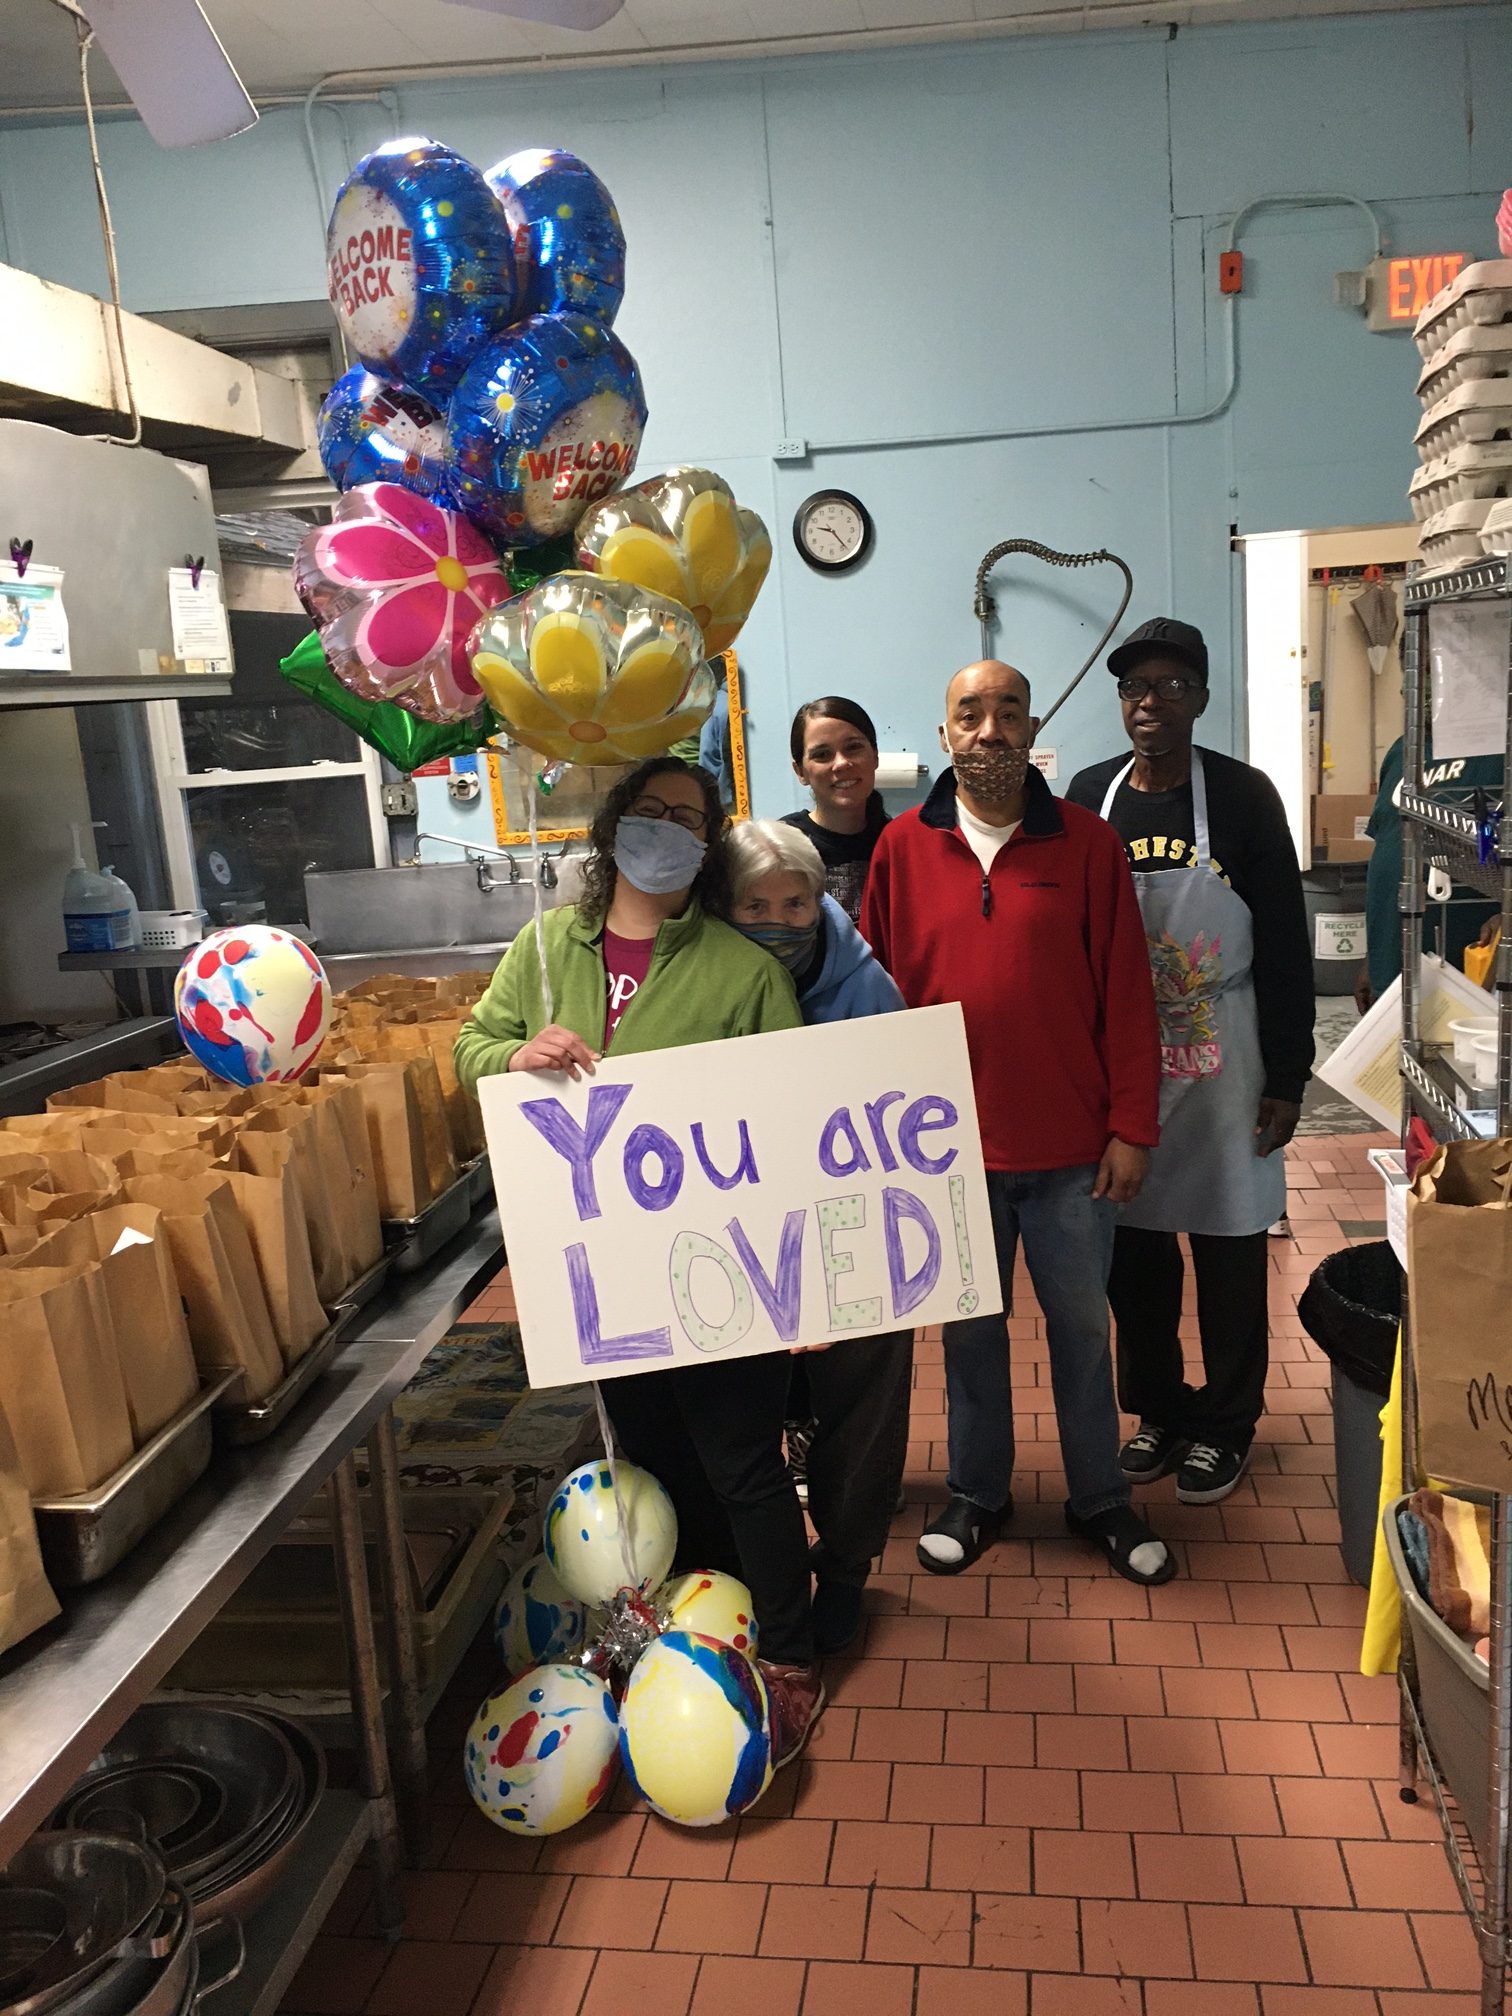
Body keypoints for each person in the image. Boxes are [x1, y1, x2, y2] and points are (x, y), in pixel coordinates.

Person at [454, 757, 823, 1765]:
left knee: (743, 1459)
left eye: (688, 820)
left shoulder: (743, 971)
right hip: (603, 1267)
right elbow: (471, 1052)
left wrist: (797, 1278)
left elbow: (787, 1118)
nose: (665, 830)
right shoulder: (542, 952)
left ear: (708, 848)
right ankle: (693, 1625)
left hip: (721, 1265)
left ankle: (790, 1655)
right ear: (616, 825)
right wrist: (515, 1057)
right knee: (648, 1457)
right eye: (650, 812)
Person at [862, 660, 1172, 1586]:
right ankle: (977, 1493)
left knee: (1082, 1329)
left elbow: (1127, 992)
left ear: (1030, 726)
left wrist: (1133, 1127)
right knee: (969, 1334)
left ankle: (1101, 1499)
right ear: (946, 731)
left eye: (1006, 711)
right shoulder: (900, 853)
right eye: (970, 713)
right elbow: (870, 997)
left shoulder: (1087, 844)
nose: (989, 729)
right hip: (946, 1152)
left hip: (1074, 1150)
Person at [1066, 616, 1315, 1506]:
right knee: (1135, 1258)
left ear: (1201, 699)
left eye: (1172, 686)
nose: (1150, 701)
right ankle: (1160, 1412)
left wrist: (1289, 1075)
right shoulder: (1091, 796)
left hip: (1227, 1054)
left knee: (1229, 1251)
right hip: (1127, 1056)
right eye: (1136, 687)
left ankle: (1227, 1423)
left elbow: (1284, 940)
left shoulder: (1244, 798)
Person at [725, 818, 911, 1654]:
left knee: (864, 1397)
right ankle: (758, 1567)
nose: (777, 919)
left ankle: (844, 1566)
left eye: (794, 902)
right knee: (742, 1408)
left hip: (854, 1227)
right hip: (742, 1234)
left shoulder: (868, 988)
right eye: (754, 903)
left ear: (820, 900)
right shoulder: (707, 978)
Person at [1355, 731, 1501, 1016]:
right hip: (1391, 961)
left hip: (1468, 970)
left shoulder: (1500, 751)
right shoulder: (1404, 749)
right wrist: (1372, 957)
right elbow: (1387, 853)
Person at [783, 697, 891, 924]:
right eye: (822, 754)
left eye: (853, 748)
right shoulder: (781, 848)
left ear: (875, 756)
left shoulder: (899, 843)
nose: (841, 763)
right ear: (800, 771)